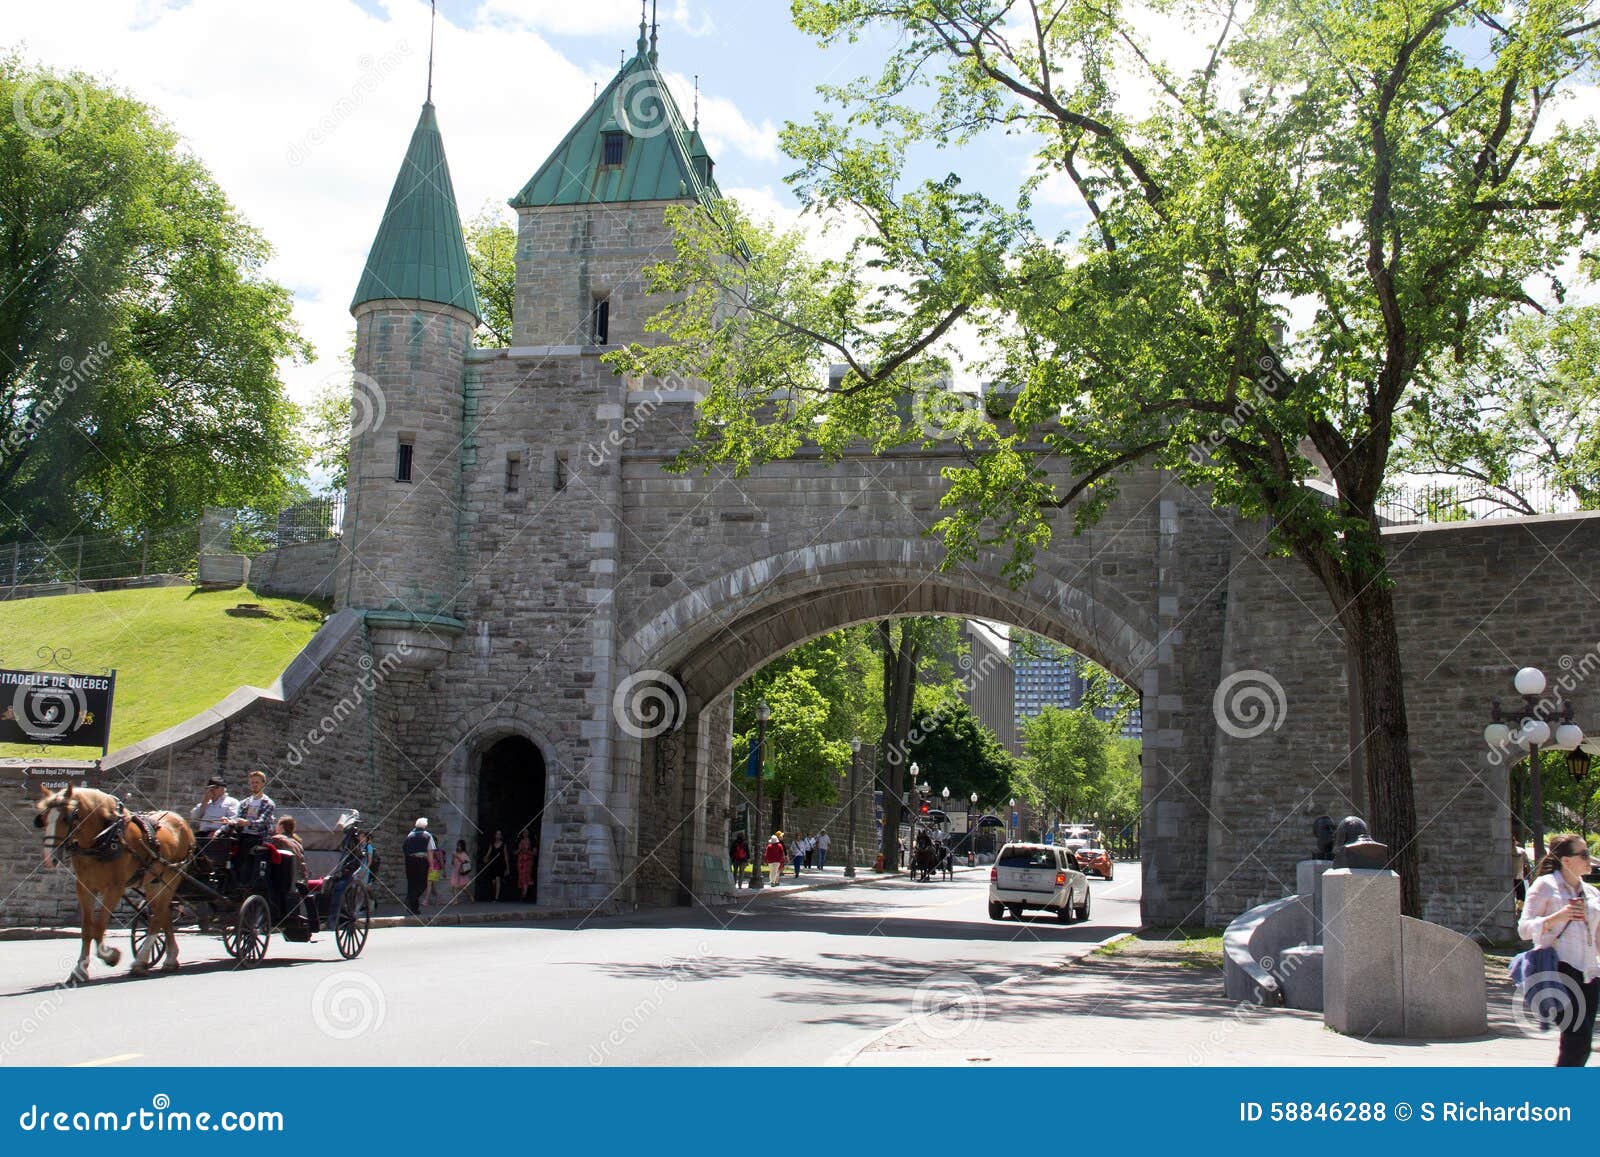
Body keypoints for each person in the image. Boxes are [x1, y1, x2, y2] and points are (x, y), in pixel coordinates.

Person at [1517, 834, 1600, 1066]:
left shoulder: (1592, 894)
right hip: (1559, 970)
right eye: (1583, 854)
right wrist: (1559, 916)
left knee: (1582, 1044)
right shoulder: (1545, 886)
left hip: (1589, 973)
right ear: (1566, 860)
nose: (1589, 859)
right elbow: (1524, 929)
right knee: (1576, 1038)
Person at [270, 816, 318, 938]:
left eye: (277, 824)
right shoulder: (297, 841)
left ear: (281, 827)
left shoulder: (278, 840)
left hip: (290, 878)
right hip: (298, 877)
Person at [226, 770, 276, 837]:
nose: (254, 785)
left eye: (257, 782)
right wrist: (230, 821)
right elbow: (238, 818)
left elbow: (262, 822)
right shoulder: (244, 802)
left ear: (263, 784)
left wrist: (247, 823)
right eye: (252, 783)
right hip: (241, 835)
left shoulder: (269, 804)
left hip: (258, 837)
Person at [402, 817, 435, 916]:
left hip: (410, 860)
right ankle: (410, 900)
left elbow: (404, 848)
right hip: (422, 861)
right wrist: (431, 865)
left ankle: (413, 908)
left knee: (411, 883)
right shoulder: (428, 835)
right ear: (425, 826)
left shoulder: (409, 835)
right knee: (423, 883)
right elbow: (430, 851)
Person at [481, 830, 509, 901]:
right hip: (493, 863)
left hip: (500, 864)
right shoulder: (492, 844)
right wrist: (485, 858)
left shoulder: (503, 845)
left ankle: (496, 897)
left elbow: (505, 856)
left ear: (501, 836)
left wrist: (507, 868)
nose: (498, 835)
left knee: (498, 879)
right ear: (495, 835)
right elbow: (488, 853)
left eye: (499, 834)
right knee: (493, 882)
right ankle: (494, 894)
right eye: (497, 834)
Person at [515, 830, 536, 902]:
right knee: (521, 877)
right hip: (521, 861)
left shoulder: (532, 842)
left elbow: (534, 853)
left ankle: (525, 894)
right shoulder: (520, 841)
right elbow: (515, 852)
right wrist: (520, 849)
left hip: (528, 861)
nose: (525, 834)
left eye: (527, 832)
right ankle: (522, 893)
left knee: (526, 877)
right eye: (524, 832)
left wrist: (526, 851)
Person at [450, 839, 472, 903]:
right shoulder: (455, 853)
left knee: (463, 887)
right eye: (458, 846)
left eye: (460, 846)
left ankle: (470, 895)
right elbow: (452, 863)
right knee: (453, 886)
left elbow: (467, 862)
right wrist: (453, 857)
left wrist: (458, 857)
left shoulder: (464, 854)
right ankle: (455, 900)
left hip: (461, 872)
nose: (458, 847)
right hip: (455, 871)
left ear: (462, 847)